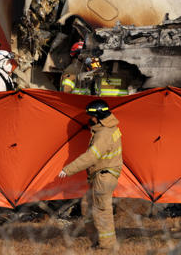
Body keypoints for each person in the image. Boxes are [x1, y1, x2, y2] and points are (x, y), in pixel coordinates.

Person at [58, 100, 122, 251]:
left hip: (104, 175)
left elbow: (91, 157)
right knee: (87, 206)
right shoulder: (104, 129)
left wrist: (68, 169)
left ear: (99, 116)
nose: (90, 118)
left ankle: (107, 245)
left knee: (101, 209)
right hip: (99, 175)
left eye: (92, 116)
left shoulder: (104, 134)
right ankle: (96, 241)